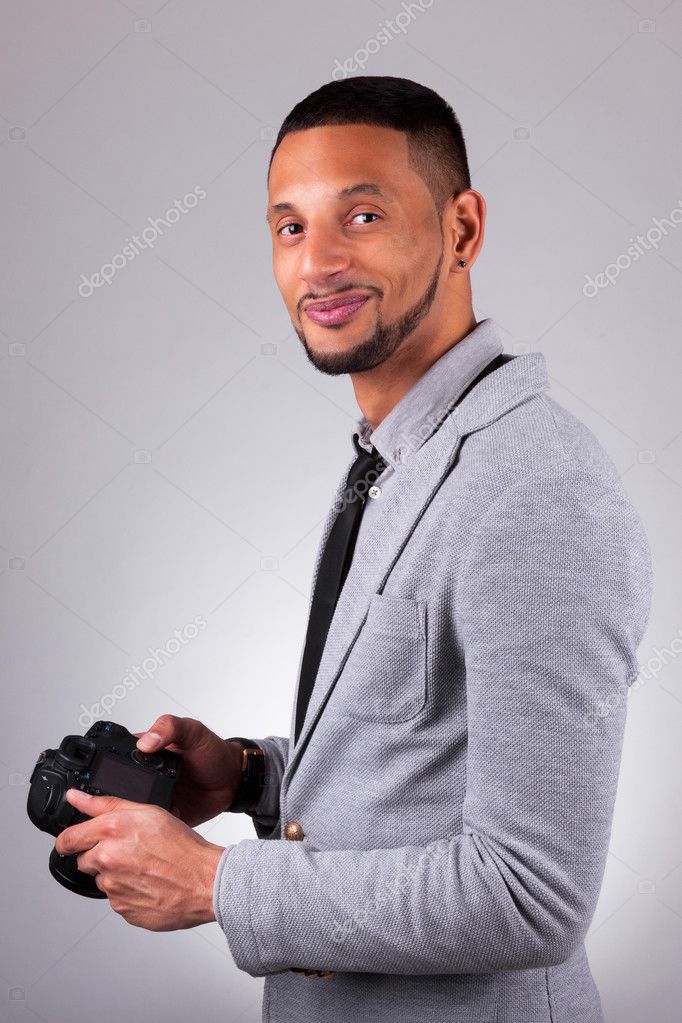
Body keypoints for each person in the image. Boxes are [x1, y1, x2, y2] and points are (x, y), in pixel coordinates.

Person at [55, 76, 653, 1022]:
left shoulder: (538, 492)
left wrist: (218, 884)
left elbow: (529, 894)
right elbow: (423, 768)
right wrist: (250, 775)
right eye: (290, 227)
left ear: (462, 230)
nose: (318, 262)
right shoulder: (396, 454)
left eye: (362, 216)